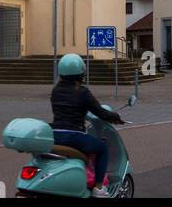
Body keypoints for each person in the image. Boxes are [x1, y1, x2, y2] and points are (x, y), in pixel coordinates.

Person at [49, 53, 122, 197]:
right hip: (74, 136)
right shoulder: (82, 92)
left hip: (54, 134)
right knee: (102, 148)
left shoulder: (55, 90)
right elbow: (102, 113)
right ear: (81, 74)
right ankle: (98, 188)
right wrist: (116, 117)